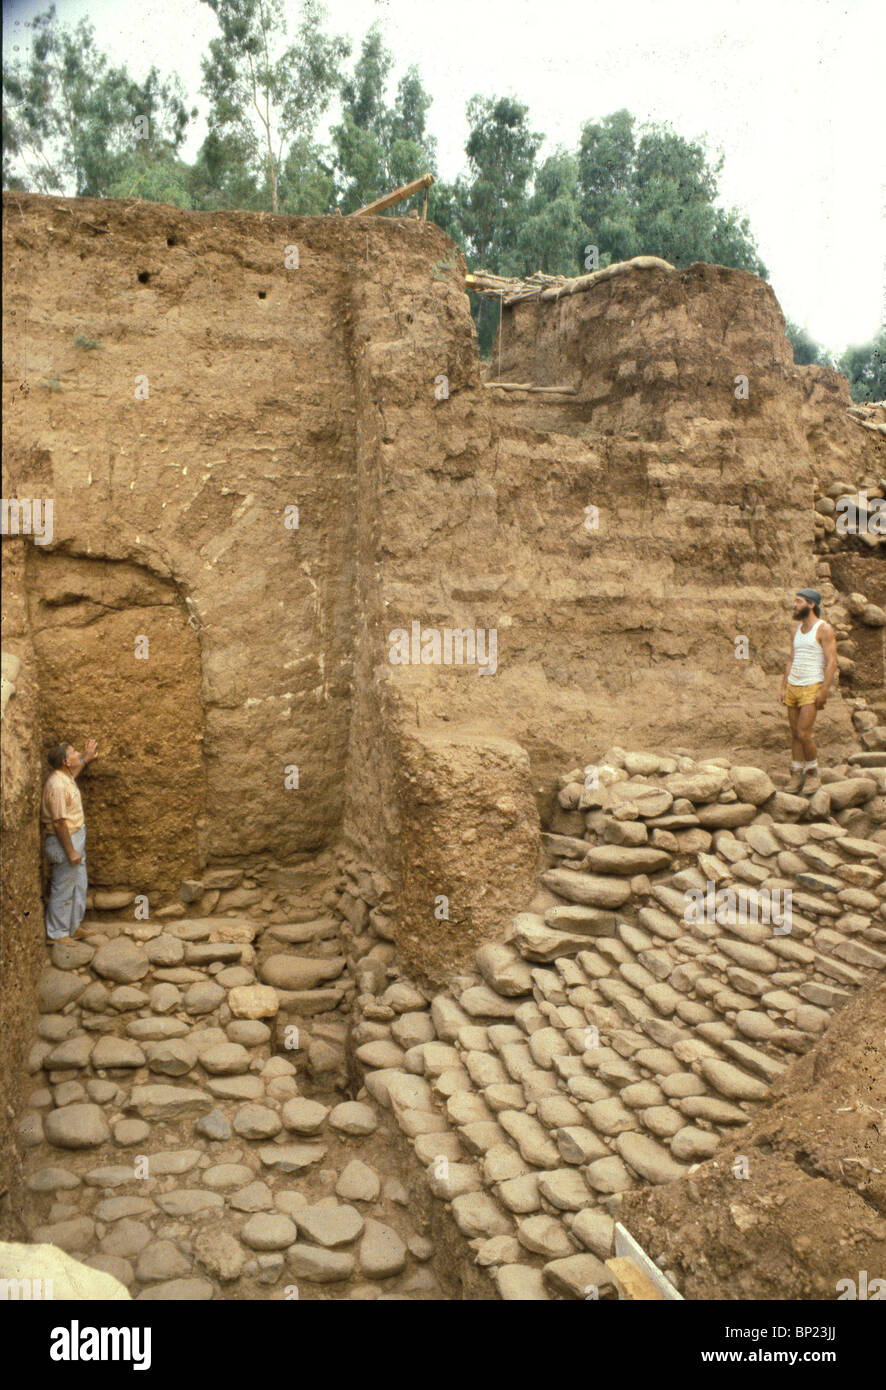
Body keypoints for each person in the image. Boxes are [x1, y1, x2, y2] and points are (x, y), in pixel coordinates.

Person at [778, 588, 837, 794]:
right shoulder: (795, 630)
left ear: (811, 604)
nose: (794, 605)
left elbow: (831, 662)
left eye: (798, 601)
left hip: (812, 685)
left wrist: (824, 691)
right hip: (794, 685)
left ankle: (813, 774)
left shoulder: (824, 629)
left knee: (804, 733)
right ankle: (796, 775)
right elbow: (791, 659)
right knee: (794, 734)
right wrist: (783, 686)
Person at [41, 738, 98, 942]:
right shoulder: (56, 785)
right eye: (74, 753)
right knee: (64, 887)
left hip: (75, 838)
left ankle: (72, 926)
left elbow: (75, 771)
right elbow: (58, 823)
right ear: (65, 761)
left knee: (78, 884)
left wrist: (87, 758)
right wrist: (71, 851)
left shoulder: (66, 776)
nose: (77, 755)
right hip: (63, 842)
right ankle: (57, 933)